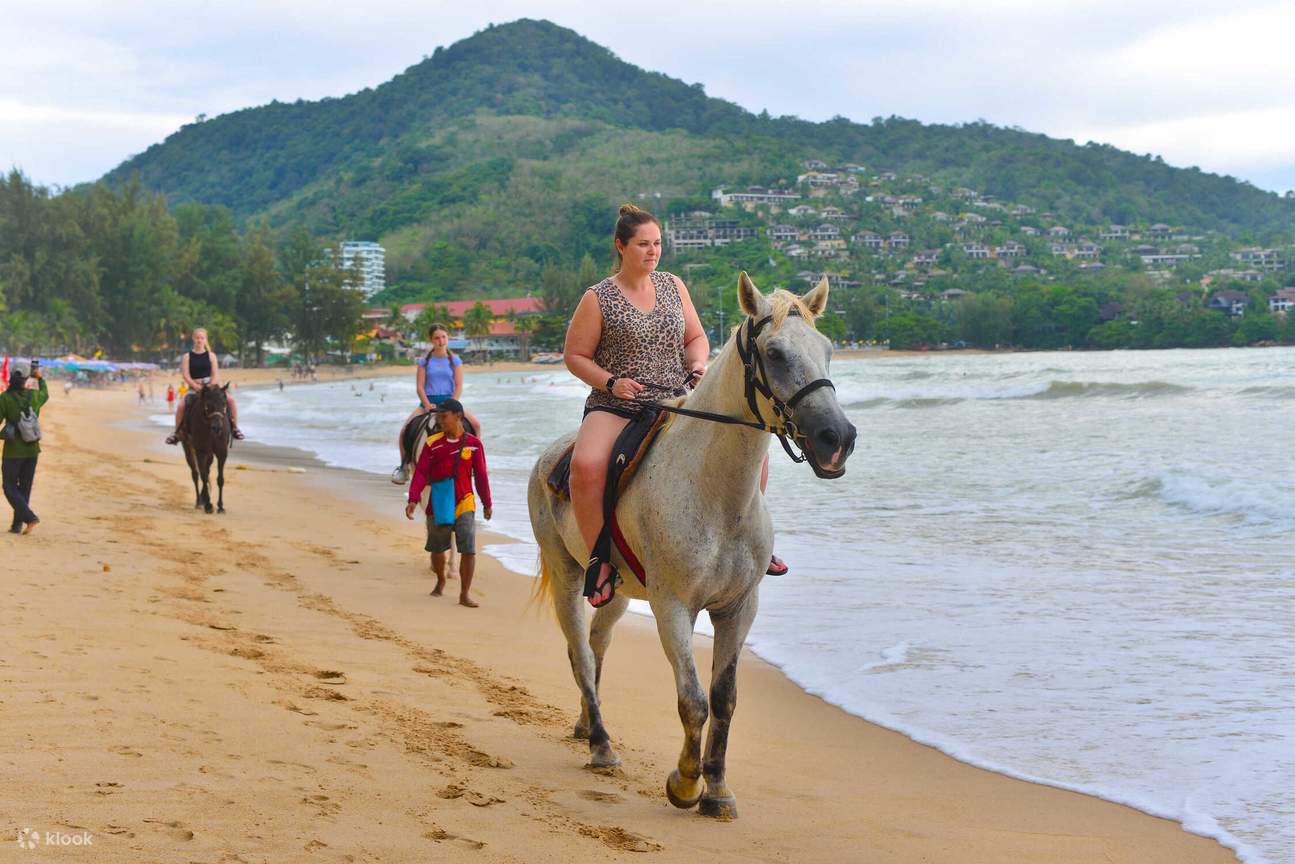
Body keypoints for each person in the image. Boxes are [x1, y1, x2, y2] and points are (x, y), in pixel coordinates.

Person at [563, 204, 786, 608]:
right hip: (618, 403)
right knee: (586, 467)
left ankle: (751, 541)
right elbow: (575, 356)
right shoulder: (597, 297)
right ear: (621, 246)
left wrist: (699, 364)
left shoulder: (673, 285)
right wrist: (611, 382)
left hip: (679, 399)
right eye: (643, 244)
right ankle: (599, 560)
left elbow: (696, 337)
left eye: (658, 243)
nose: (653, 251)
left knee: (754, 451)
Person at [405, 399, 492, 607]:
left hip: (465, 501)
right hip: (438, 502)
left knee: (468, 549)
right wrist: (413, 499)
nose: (440, 422)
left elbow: (480, 476)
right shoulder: (432, 444)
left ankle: (464, 593)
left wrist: (487, 503)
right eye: (438, 417)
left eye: (444, 417)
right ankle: (441, 580)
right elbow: (421, 473)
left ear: (458, 416)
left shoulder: (474, 444)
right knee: (437, 549)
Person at [390, 322, 482, 484]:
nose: (441, 341)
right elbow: (419, 386)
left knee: (476, 425)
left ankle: (477, 464)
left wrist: (452, 403)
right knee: (404, 431)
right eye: (437, 338)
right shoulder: (424, 361)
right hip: (428, 402)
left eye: (443, 337)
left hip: (450, 402)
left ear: (448, 338)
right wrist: (426, 405)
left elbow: (459, 385)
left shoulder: (455, 361)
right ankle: (403, 468)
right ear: (431, 340)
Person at [165, 328, 243, 444]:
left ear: (205, 339)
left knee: (231, 400)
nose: (199, 340)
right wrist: (196, 386)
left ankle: (235, 428)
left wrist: (210, 386)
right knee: (181, 406)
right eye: (197, 338)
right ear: (193, 339)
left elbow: (216, 374)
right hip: (194, 387)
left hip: (211, 387)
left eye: (202, 338)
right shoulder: (187, 356)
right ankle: (177, 433)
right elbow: (185, 375)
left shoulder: (211, 356)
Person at [1, 362, 49, 535]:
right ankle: (16, 526)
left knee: (9, 487)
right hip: (33, 450)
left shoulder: (4, 398)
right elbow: (45, 394)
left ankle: (29, 518)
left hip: (13, 451)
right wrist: (41, 379)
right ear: (28, 377)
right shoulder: (34, 396)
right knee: (24, 488)